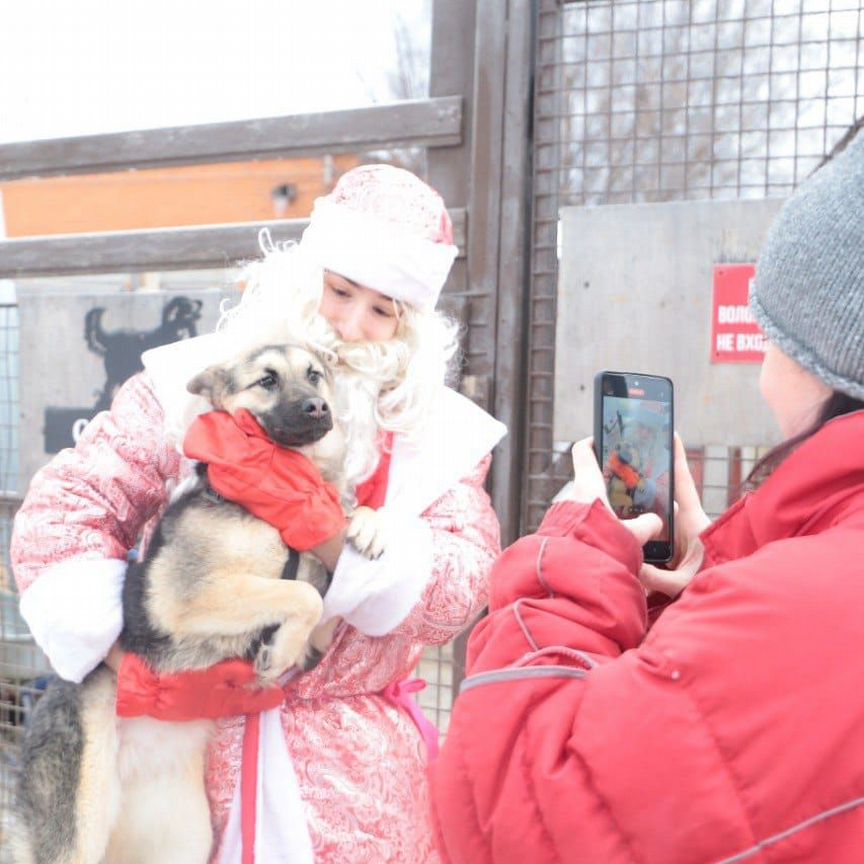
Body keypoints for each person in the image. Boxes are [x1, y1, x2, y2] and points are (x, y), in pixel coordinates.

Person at [11, 165, 506, 863]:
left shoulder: (440, 436)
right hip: (182, 748)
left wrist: (331, 537)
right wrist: (126, 645)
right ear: (304, 280)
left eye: (382, 310)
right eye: (340, 291)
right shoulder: (191, 382)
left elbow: (461, 583)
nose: (349, 327)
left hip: (349, 777)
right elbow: (69, 506)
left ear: (409, 329)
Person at [431, 133, 864, 862]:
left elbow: (506, 817)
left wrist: (567, 569)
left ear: (828, 355)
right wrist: (723, 587)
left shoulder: (802, 607)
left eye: (771, 334)